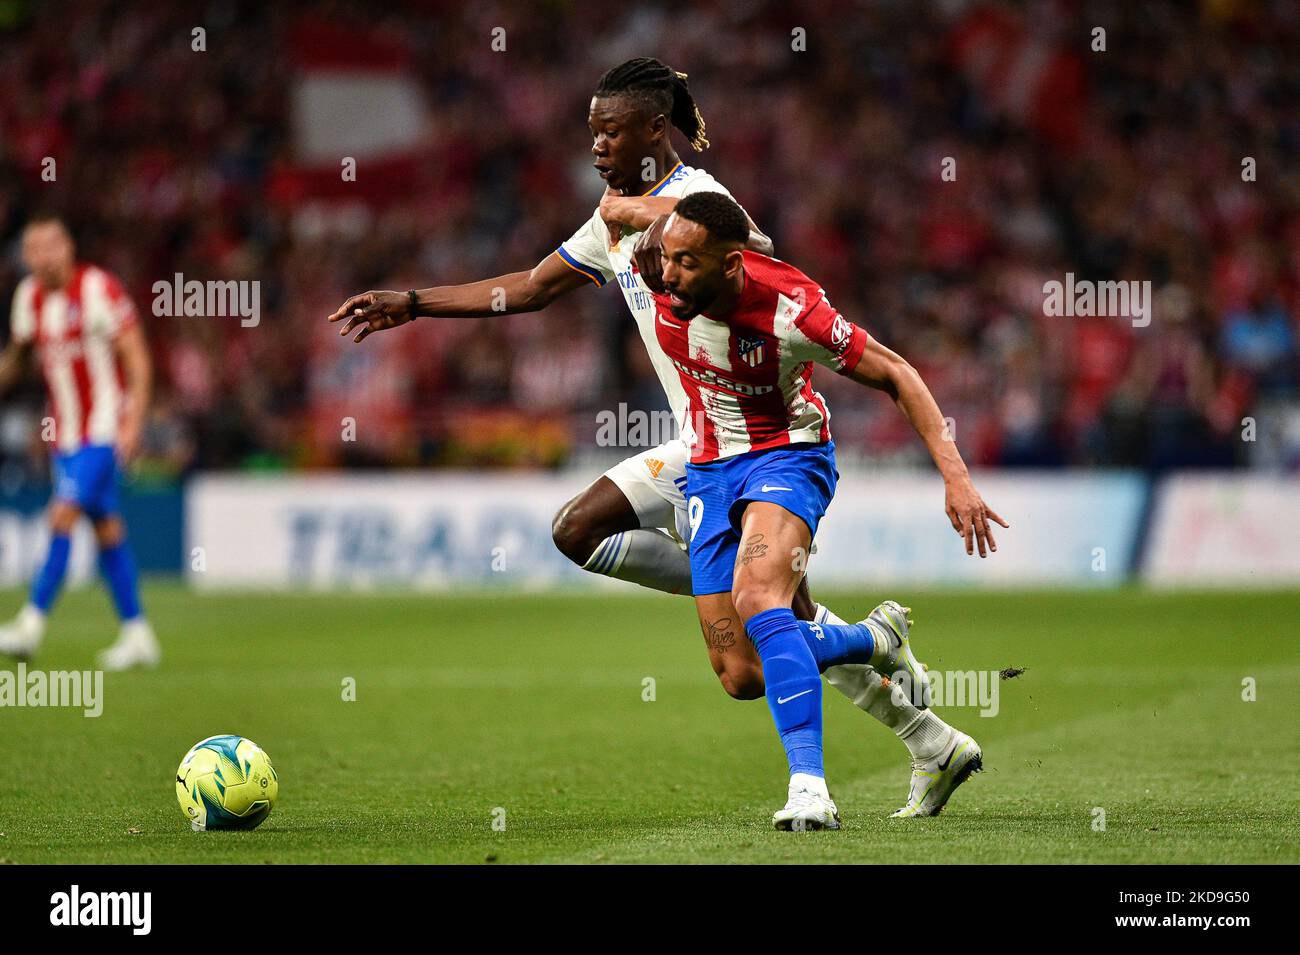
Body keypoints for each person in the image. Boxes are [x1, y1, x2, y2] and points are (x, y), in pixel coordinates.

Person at [329, 58, 963, 817]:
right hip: (697, 448)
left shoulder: (700, 204)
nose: (596, 145)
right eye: (591, 130)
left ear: (654, 130)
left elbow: (755, 250)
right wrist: (415, 302)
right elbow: (531, 289)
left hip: (768, 443)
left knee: (772, 617)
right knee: (597, 544)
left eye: (610, 131)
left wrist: (641, 219)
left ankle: (889, 743)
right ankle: (893, 686)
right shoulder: (611, 216)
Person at [654, 191, 1008, 828]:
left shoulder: (795, 311)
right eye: (664, 258)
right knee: (740, 672)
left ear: (731, 265)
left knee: (759, 596)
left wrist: (956, 477)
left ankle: (809, 787)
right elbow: (618, 221)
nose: (667, 274)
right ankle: (873, 638)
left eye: (684, 262)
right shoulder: (656, 258)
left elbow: (898, 373)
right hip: (708, 469)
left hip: (786, 457)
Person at [0, 216, 159, 670]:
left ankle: (30, 625)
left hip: (105, 430)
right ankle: (138, 632)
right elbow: (18, 356)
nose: (43, 255)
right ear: (25, 257)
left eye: (51, 245)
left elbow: (137, 356)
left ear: (68, 246)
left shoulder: (98, 289)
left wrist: (134, 423)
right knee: (107, 528)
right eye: (33, 248)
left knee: (62, 512)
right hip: (64, 436)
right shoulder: (28, 299)